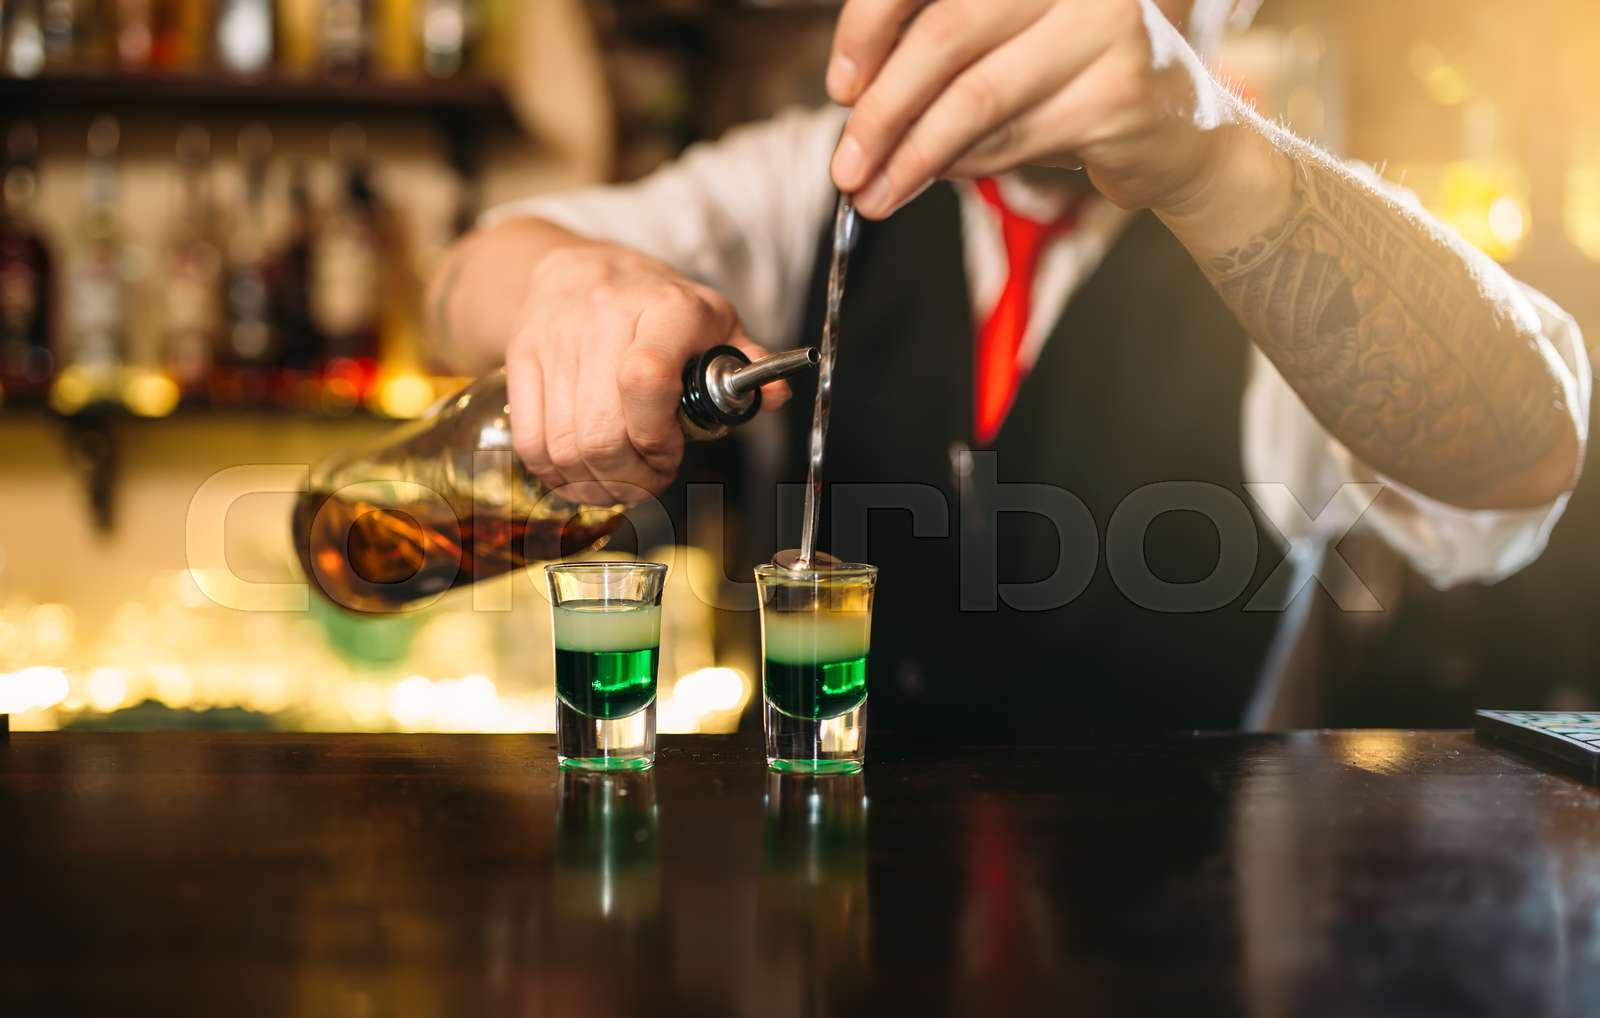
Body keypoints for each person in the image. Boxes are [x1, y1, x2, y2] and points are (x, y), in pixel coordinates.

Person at [428, 0, 1590, 733]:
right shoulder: (806, 183)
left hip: (1176, 984)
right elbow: (460, 281)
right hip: (823, 948)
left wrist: (1211, 163)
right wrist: (562, 288)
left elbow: (1525, 452)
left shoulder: (1291, 234)